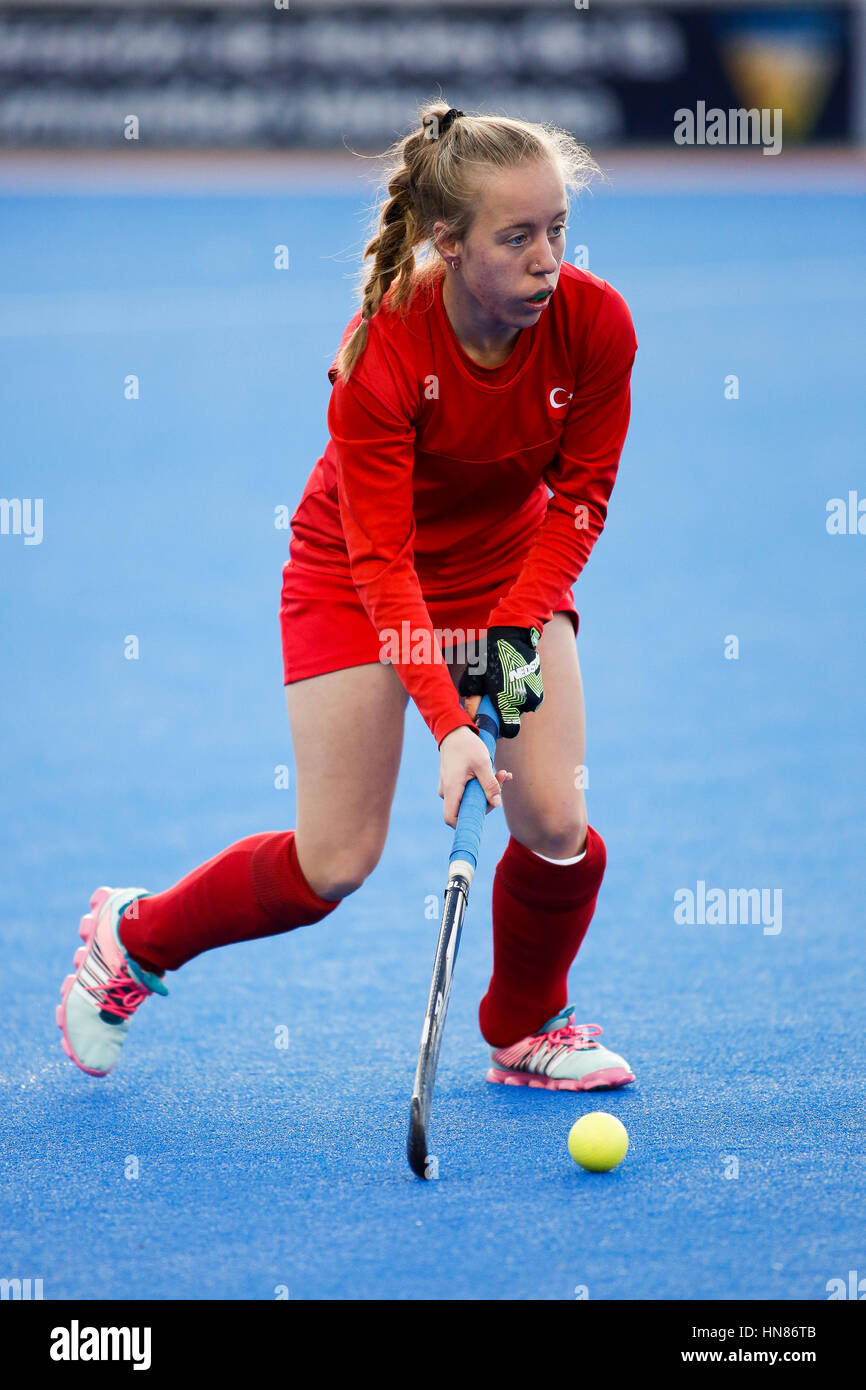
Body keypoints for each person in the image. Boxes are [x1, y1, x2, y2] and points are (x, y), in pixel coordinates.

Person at [57, 104, 638, 1093]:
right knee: (332, 862)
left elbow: (578, 499)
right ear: (446, 246)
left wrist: (509, 630)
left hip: (508, 573)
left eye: (557, 232)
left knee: (554, 825)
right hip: (356, 571)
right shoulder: (382, 352)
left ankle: (526, 1023)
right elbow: (380, 562)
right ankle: (133, 937)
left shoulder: (594, 323)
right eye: (516, 238)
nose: (547, 260)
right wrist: (450, 720)